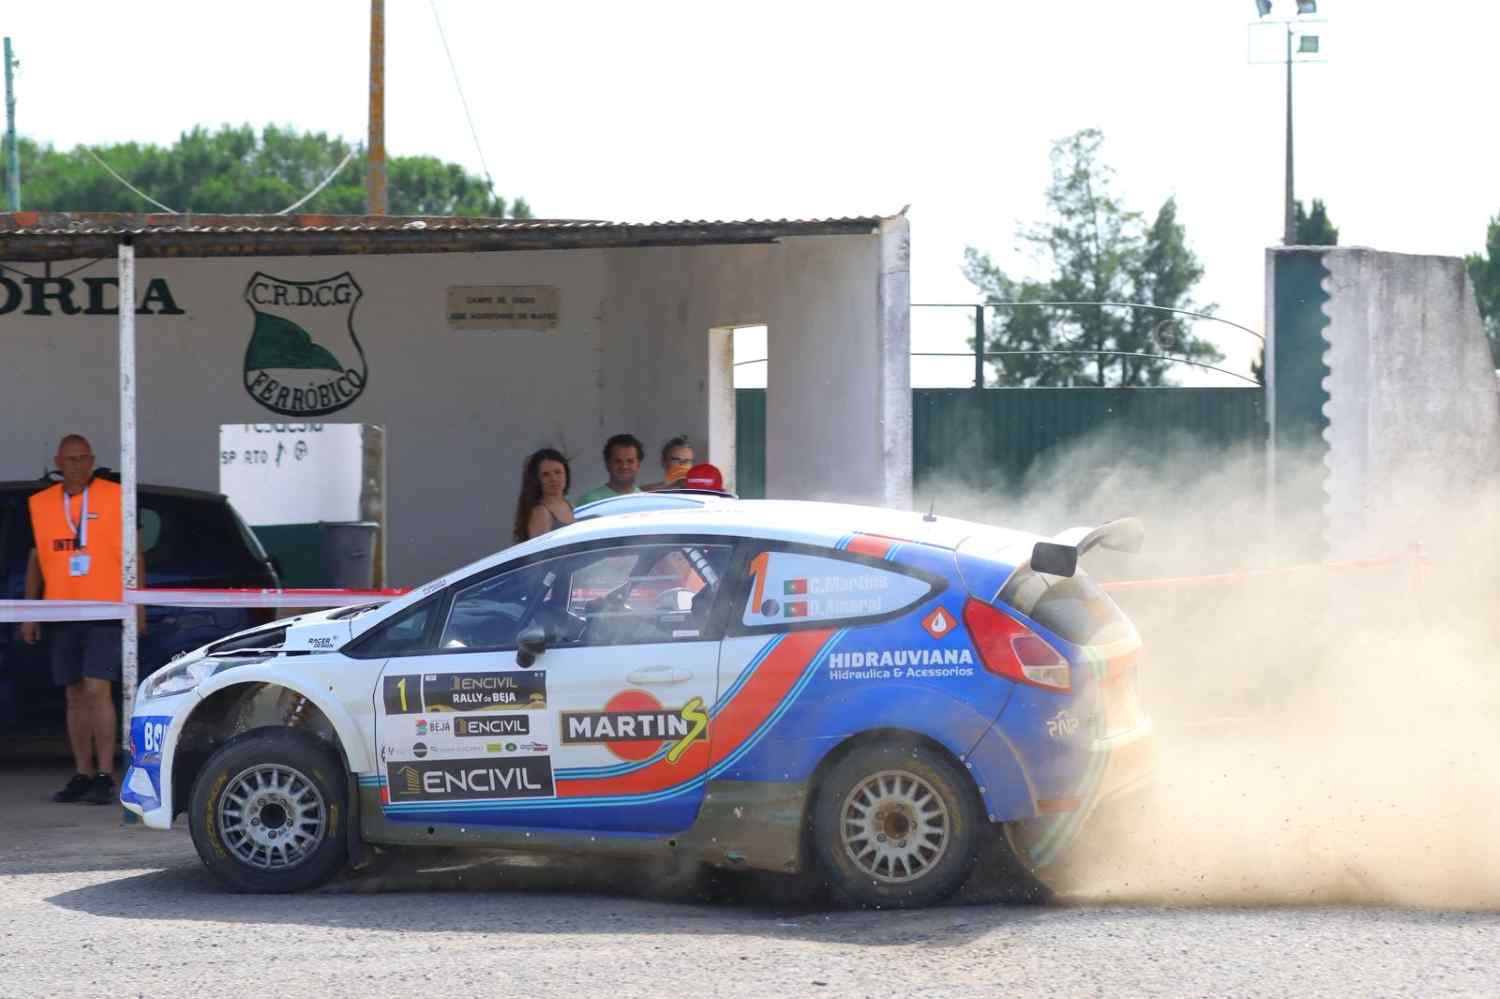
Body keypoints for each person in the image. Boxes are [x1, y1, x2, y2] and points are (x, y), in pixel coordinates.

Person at [22, 434, 143, 805]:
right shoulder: (40, 504)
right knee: (74, 695)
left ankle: (106, 773)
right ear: (58, 461)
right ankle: (83, 772)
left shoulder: (114, 495)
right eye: (71, 459)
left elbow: (135, 552)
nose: (78, 465)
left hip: (104, 608)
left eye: (84, 458)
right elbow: (35, 560)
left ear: (92, 460)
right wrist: (31, 611)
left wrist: (139, 605)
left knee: (96, 688)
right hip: (60, 610)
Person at [513, 448, 575, 543]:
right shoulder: (541, 513)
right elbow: (540, 554)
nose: (553, 479)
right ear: (537, 480)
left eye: (557, 472)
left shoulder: (570, 505)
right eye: (546, 475)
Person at [577, 433, 644, 506]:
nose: (624, 466)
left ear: (638, 465)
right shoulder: (590, 501)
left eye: (630, 461)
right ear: (608, 464)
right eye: (618, 461)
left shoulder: (645, 500)